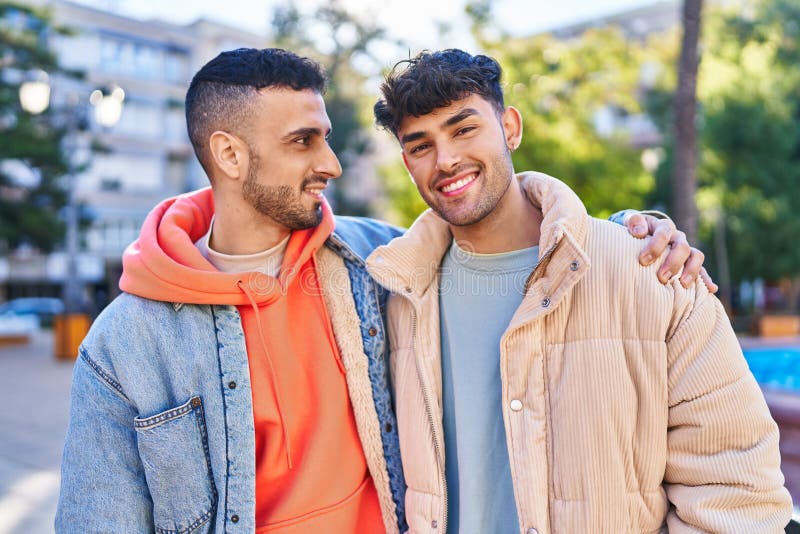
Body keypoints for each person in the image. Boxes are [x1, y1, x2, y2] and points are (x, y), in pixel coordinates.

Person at [55, 48, 708, 533]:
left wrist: (632, 230)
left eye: (327, 139)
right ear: (229, 155)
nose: (331, 165)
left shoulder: (379, 261)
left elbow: (508, 232)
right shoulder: (126, 345)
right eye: (303, 141)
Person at [366, 49, 793, 533]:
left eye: (464, 129)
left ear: (510, 127)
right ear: (406, 162)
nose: (446, 159)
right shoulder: (396, 298)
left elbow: (735, 490)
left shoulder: (652, 272)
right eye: (421, 146)